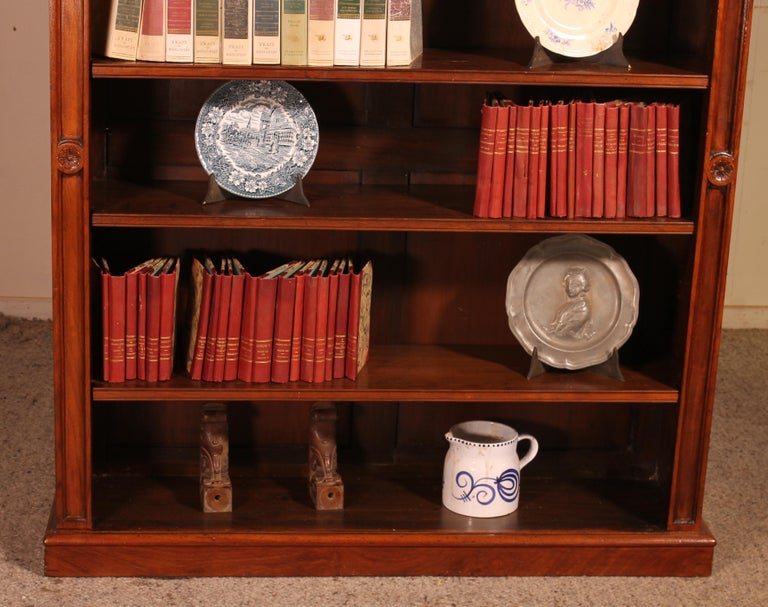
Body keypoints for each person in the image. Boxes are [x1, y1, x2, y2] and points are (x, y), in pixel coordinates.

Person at [546, 267, 594, 340]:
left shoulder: (583, 308)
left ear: (583, 286)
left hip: (573, 345)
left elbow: (566, 332)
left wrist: (552, 334)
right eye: (568, 284)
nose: (570, 288)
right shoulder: (569, 305)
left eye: (575, 285)